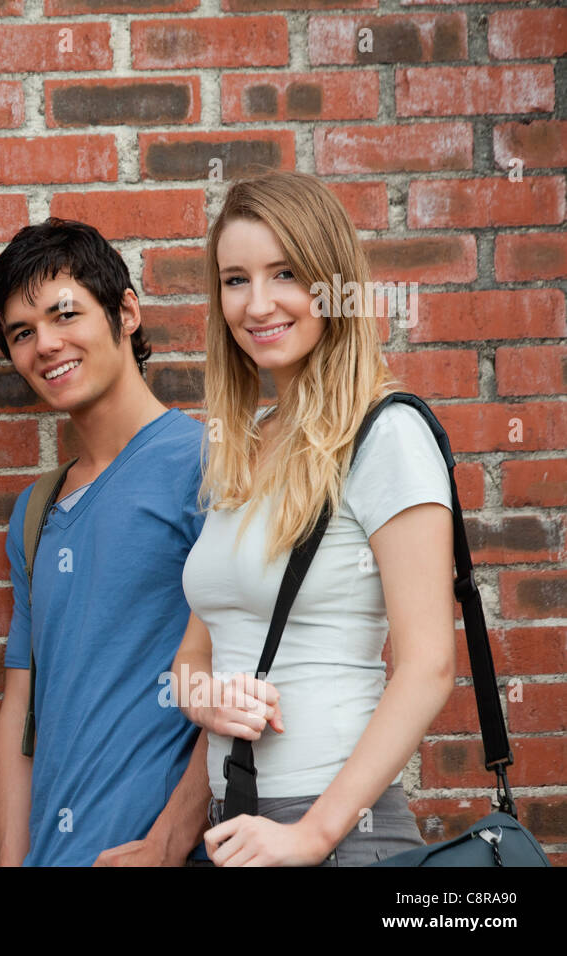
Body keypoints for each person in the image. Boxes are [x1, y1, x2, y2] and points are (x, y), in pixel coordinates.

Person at [172, 170, 456, 866]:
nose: (258, 303)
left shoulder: (386, 435)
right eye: (235, 279)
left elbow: (428, 666)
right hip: (237, 825)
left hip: (331, 833)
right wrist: (201, 698)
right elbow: (195, 653)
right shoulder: (240, 446)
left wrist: (313, 834)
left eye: (285, 273)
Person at [0, 218, 212, 867]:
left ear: (127, 311)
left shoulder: (208, 468)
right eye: (22, 334)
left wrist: (169, 842)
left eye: (65, 315)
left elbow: (249, 672)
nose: (46, 345)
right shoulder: (34, 513)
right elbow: (21, 708)